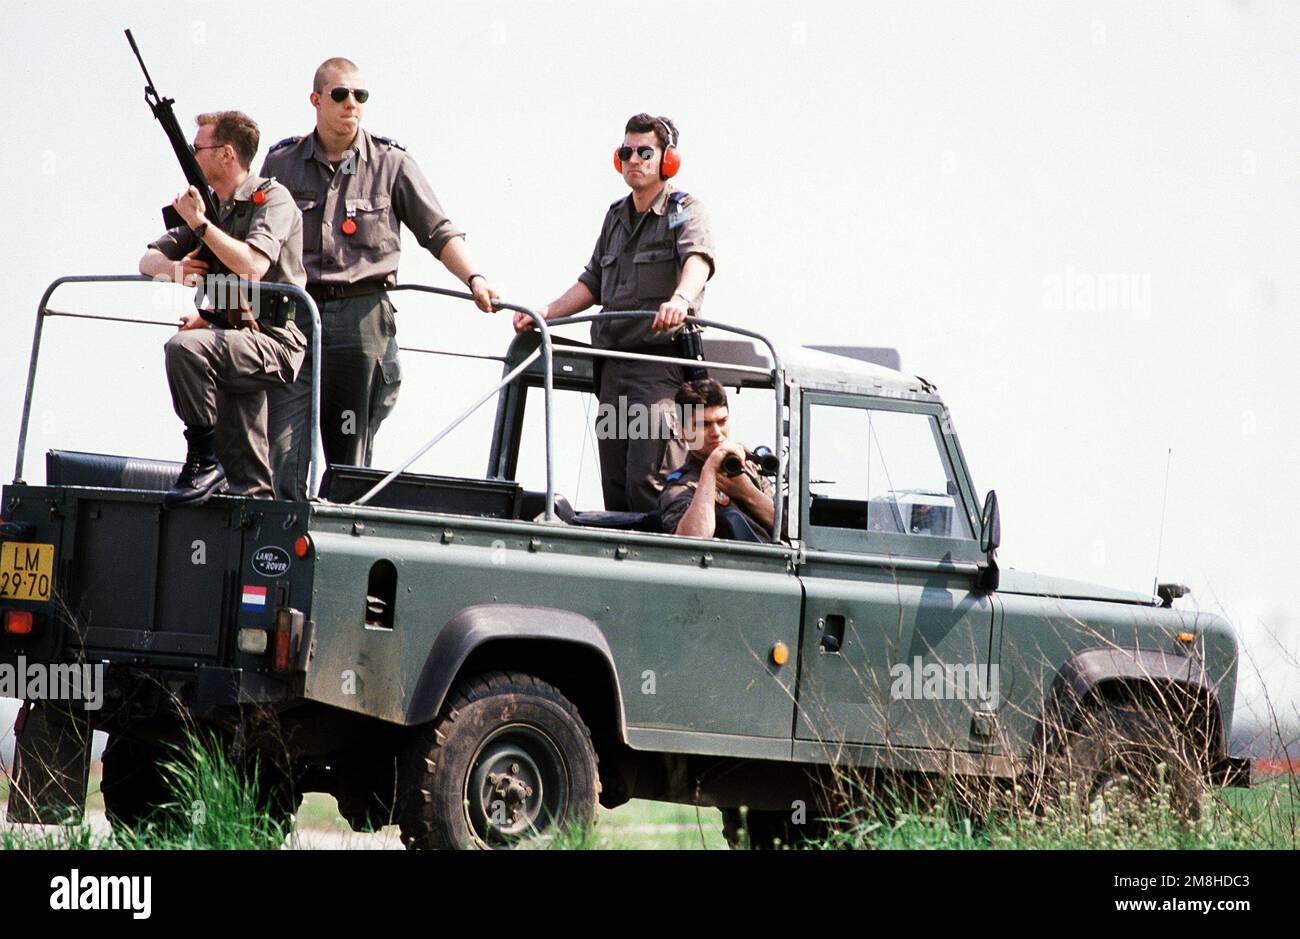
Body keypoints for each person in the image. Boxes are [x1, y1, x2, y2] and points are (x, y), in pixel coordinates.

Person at [260, 56, 499, 500]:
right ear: (316, 99)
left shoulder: (392, 163)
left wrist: (475, 278)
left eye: (359, 95)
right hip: (293, 318)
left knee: (350, 457)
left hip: (362, 319)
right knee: (282, 448)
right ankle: (281, 550)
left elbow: (438, 230)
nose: (351, 103)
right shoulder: (282, 163)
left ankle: (339, 543)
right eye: (340, 94)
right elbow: (256, 239)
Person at [516, 113, 716, 512]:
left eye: (646, 152)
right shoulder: (616, 216)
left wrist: (680, 299)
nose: (635, 159)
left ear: (667, 160)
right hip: (612, 371)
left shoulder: (684, 210)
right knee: (616, 485)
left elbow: (699, 260)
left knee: (650, 481)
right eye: (627, 152)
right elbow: (592, 282)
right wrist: (546, 312)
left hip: (656, 370)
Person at [140, 111, 308, 507]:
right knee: (247, 471)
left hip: (276, 341)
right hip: (236, 334)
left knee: (186, 350)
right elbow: (147, 260)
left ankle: (203, 458)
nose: (192, 156)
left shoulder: (272, 199)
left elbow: (252, 266)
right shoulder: (214, 205)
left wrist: (201, 227)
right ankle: (249, 500)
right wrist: (173, 269)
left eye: (198, 148)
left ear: (227, 154)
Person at [658, 379, 777, 542]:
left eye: (722, 422)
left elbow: (791, 529)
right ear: (682, 431)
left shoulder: (749, 468)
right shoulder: (680, 487)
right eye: (704, 424)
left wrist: (746, 492)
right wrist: (710, 470)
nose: (716, 432)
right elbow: (691, 542)